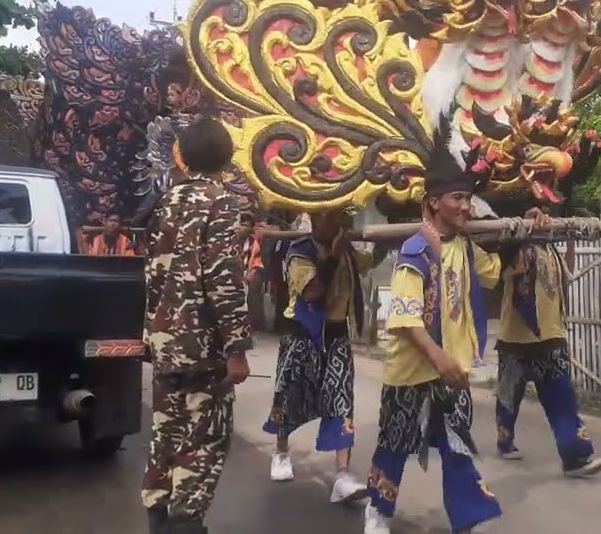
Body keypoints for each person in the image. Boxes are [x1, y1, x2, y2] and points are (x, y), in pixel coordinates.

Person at [362, 145, 515, 534]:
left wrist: (520, 232)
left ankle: (466, 519)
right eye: (457, 198)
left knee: (457, 446)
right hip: (413, 372)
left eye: (468, 198)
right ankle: (378, 509)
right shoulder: (416, 250)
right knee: (395, 444)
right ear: (434, 203)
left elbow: (495, 272)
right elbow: (404, 319)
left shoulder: (465, 246)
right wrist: (440, 357)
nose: (466, 206)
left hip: (451, 373)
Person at [141, 117, 253, 534]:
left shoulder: (166, 201)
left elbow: (153, 274)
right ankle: (186, 523)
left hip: (166, 343)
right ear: (227, 158)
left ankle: (158, 517)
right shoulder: (220, 202)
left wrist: (151, 336)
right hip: (203, 350)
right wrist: (236, 348)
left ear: (182, 157)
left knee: (165, 435)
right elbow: (224, 278)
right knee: (204, 440)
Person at [264, 209, 386, 504]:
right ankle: (281, 451)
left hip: (336, 337)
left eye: (341, 217)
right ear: (316, 218)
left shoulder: (347, 249)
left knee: (342, 401)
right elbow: (311, 293)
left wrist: (387, 240)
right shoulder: (299, 251)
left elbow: (369, 262)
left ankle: (342, 475)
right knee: (290, 396)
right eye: (332, 217)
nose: (339, 223)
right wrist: (333, 256)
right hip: (303, 334)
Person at [493, 208, 601, 478]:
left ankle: (575, 458)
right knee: (509, 398)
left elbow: (568, 274)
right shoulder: (516, 250)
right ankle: (504, 440)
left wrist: (569, 237)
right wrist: (523, 228)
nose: (545, 221)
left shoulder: (551, 250)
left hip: (551, 337)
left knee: (562, 399)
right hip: (516, 340)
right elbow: (506, 265)